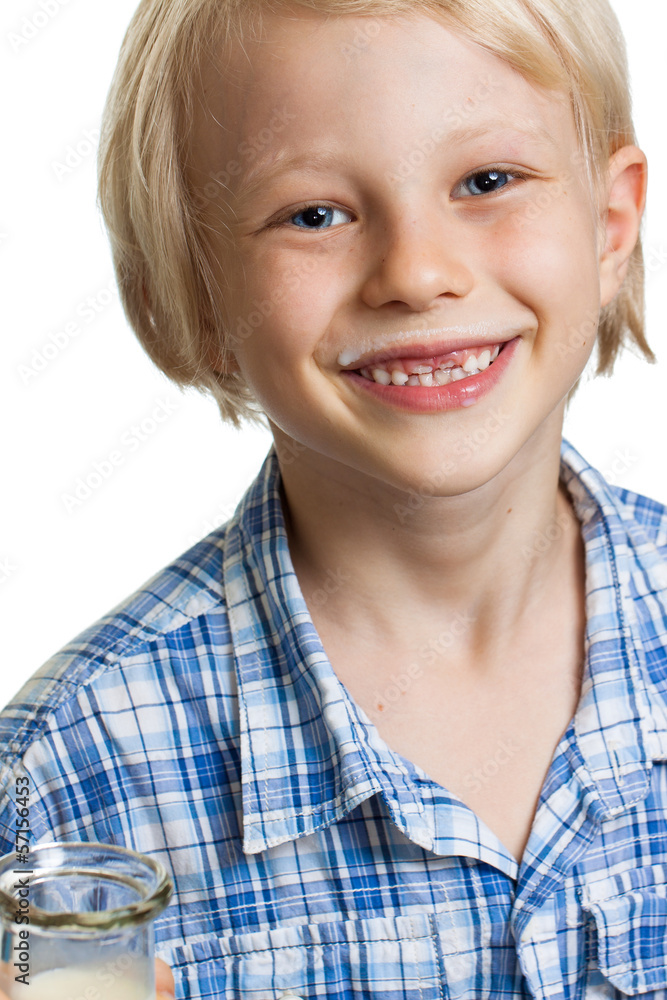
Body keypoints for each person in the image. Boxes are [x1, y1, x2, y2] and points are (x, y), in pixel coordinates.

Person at [1, 0, 666, 996]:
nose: (416, 272)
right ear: (202, 289)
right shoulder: (65, 781)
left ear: (610, 225)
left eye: (487, 181)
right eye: (315, 213)